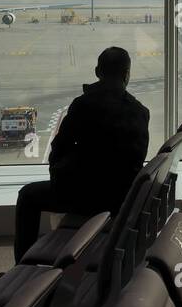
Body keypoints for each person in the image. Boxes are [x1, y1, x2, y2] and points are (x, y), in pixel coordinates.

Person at [14, 47, 149, 262]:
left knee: (27, 196)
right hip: (121, 198)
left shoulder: (83, 105)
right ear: (127, 75)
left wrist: (59, 178)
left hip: (84, 196)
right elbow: (137, 158)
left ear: (97, 72)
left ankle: (20, 268)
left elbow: (59, 149)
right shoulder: (141, 112)